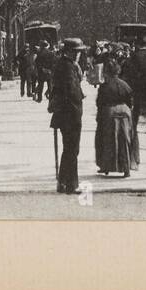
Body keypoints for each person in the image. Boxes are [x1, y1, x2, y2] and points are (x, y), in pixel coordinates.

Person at [48, 40, 85, 194]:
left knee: (68, 148)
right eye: (76, 51)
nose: (79, 54)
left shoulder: (63, 65)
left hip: (64, 114)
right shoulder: (68, 68)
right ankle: (71, 184)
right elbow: (72, 92)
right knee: (72, 149)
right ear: (68, 51)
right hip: (70, 113)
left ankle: (63, 181)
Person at [95, 58, 135, 176]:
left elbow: (100, 103)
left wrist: (99, 116)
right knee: (126, 140)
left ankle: (105, 166)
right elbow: (130, 101)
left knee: (105, 139)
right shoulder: (125, 85)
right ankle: (126, 167)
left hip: (109, 112)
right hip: (124, 112)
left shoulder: (104, 86)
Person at [122, 39, 146, 151]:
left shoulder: (134, 57)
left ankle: (134, 137)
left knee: (136, 111)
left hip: (139, 86)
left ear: (137, 45)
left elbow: (129, 72)